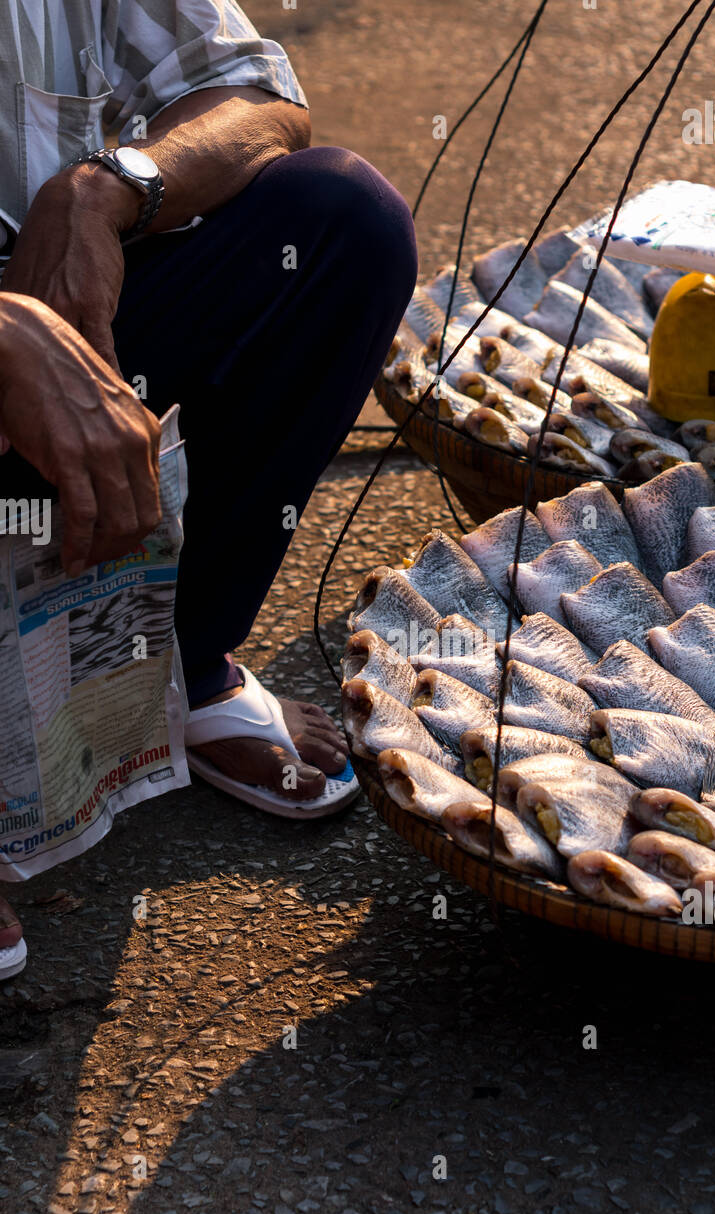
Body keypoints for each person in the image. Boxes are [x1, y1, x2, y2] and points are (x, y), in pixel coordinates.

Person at [0, 0, 419, 979]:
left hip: (48, 340)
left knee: (340, 219)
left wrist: (104, 190)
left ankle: (177, 658)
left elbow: (249, 94)